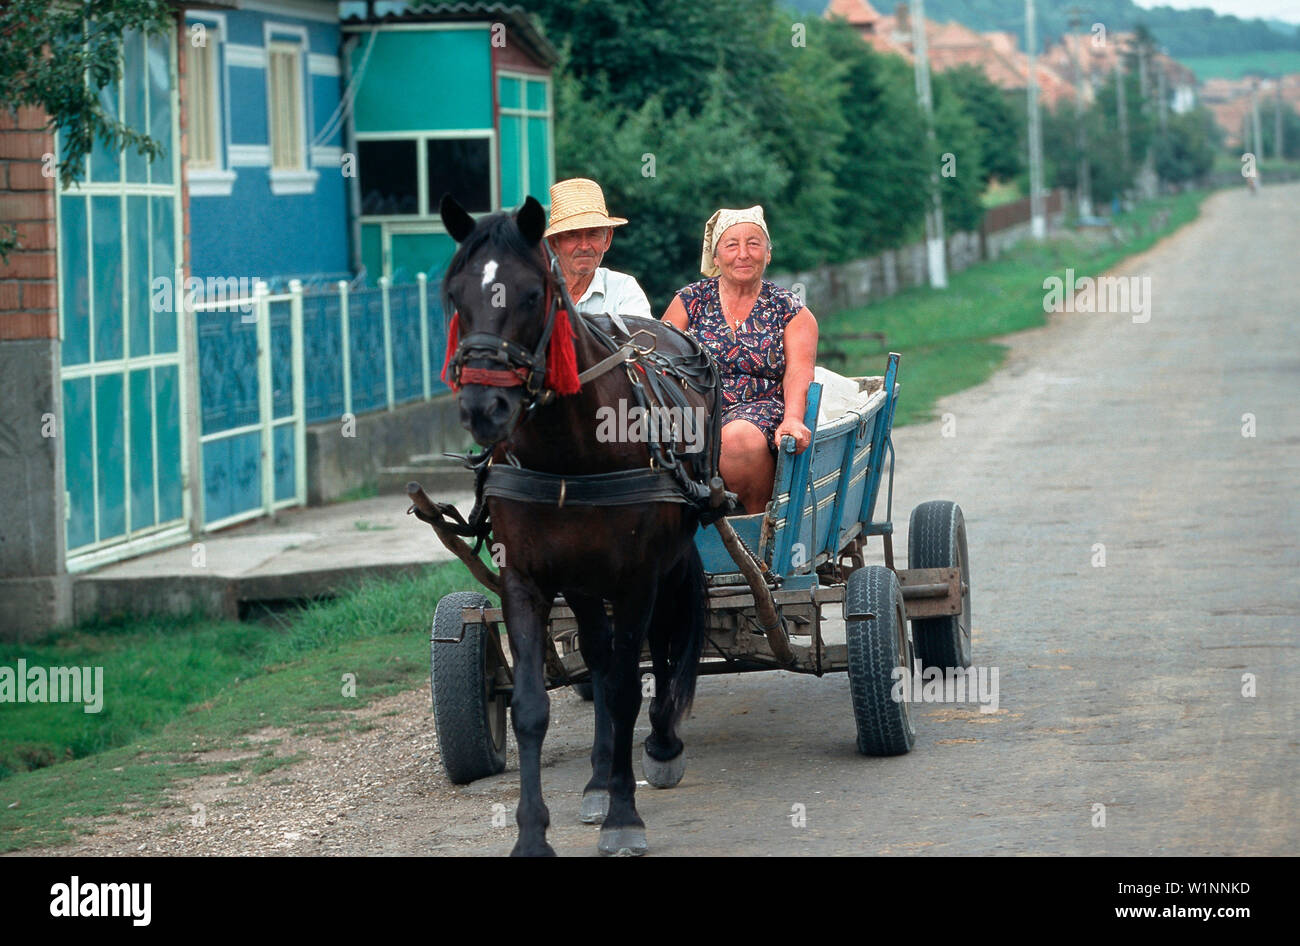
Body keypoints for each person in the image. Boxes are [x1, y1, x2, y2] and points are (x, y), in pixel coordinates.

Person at [662, 206, 818, 514]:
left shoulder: (789, 310)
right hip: (697, 409)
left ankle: (756, 525)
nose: (743, 253)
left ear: (768, 254)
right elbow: (660, 360)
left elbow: (799, 372)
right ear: (716, 257)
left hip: (760, 411)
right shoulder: (689, 301)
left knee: (737, 439)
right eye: (732, 245)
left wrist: (793, 419)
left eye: (754, 243)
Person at [544, 178, 651, 319]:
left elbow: (643, 338)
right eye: (573, 235)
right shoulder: (532, 289)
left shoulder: (623, 290)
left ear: (607, 239)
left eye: (593, 234)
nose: (584, 246)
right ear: (554, 243)